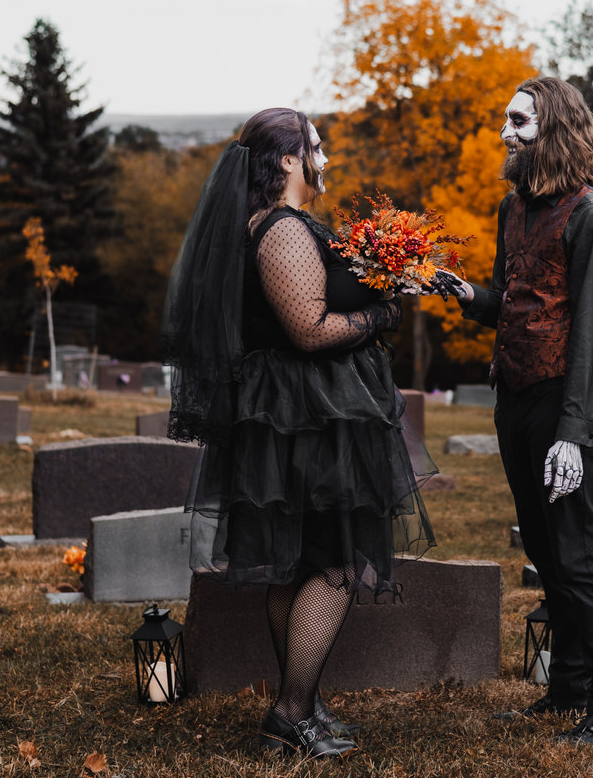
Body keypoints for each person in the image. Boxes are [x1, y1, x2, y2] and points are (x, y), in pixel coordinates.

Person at [161, 108, 437, 759]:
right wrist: (381, 315)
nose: (326, 158)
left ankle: (302, 705)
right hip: (304, 417)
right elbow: (308, 330)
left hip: (302, 414)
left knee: (301, 565)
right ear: (287, 160)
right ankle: (289, 714)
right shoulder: (282, 229)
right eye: (317, 146)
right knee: (335, 561)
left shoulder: (283, 223)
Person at [438, 76, 593, 745]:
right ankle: (568, 690)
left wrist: (574, 434)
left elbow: (591, 334)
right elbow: (515, 301)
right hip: (515, 399)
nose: (505, 132)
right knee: (548, 556)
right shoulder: (513, 207)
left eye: (519, 121)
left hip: (565, 406)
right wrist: (469, 296)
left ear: (557, 128)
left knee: (580, 559)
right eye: (506, 120)